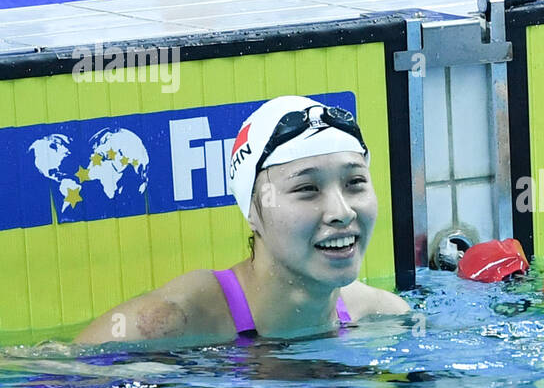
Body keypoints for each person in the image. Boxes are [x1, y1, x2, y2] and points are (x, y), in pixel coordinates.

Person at [75, 95, 409, 344]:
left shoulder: (384, 318)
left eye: (355, 183)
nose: (342, 212)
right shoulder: (168, 323)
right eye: (307, 189)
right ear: (252, 210)